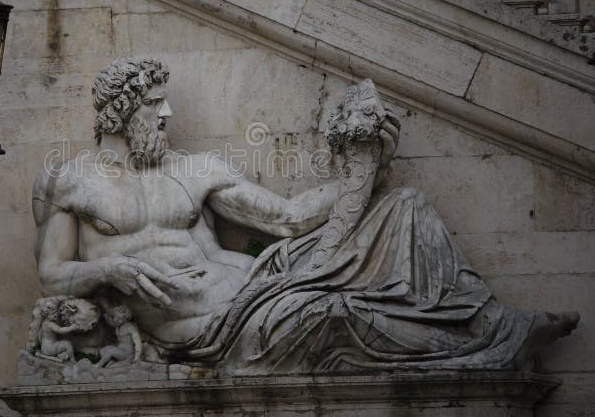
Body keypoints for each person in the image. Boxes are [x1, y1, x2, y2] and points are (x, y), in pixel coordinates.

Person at [32, 58, 577, 373]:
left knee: (405, 208)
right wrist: (108, 271)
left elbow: (289, 219)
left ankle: (486, 323)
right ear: (124, 111)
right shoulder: (72, 182)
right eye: (155, 103)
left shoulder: (195, 169)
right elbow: (52, 272)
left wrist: (364, 170)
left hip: (262, 284)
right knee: (334, 312)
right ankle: (482, 346)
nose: (167, 112)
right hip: (211, 329)